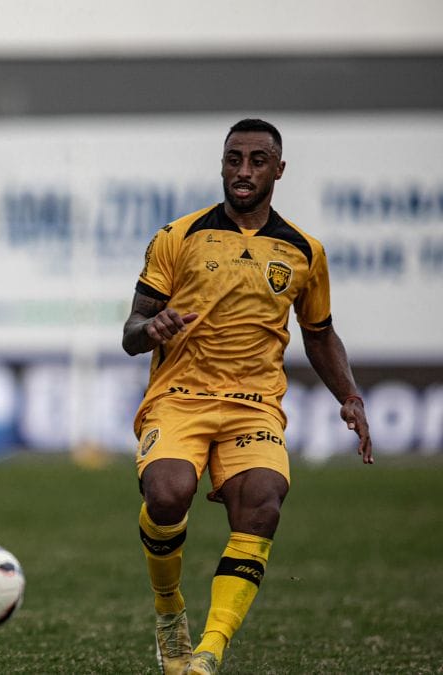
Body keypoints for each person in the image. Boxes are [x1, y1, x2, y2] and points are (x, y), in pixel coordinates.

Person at [122, 118, 373, 675]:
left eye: (258, 160)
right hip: (180, 396)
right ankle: (170, 614)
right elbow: (131, 332)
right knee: (167, 494)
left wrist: (350, 395)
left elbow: (320, 333)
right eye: (234, 158)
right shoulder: (177, 237)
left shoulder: (304, 251)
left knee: (262, 502)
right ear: (221, 164)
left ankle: (208, 653)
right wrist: (152, 328)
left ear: (278, 170)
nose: (243, 170)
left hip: (252, 405)